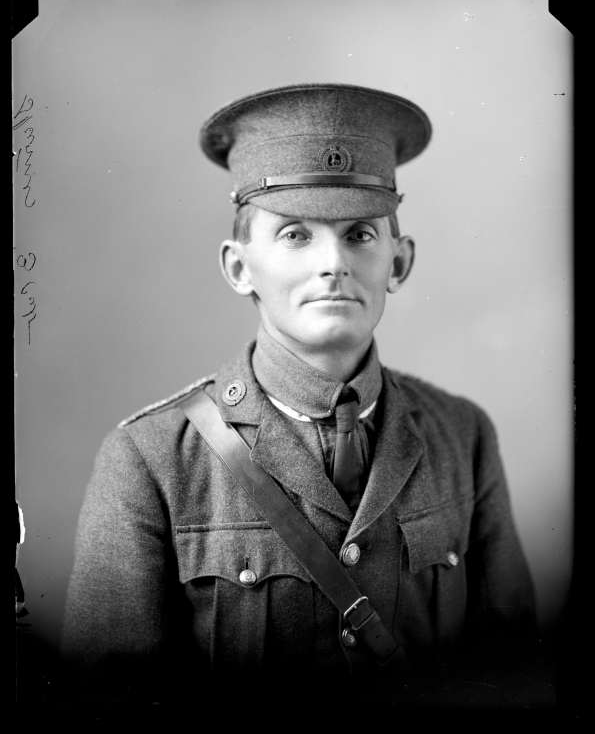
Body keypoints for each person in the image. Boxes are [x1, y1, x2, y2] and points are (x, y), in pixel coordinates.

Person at [61, 83, 538, 716]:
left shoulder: (463, 436)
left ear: (399, 263)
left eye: (360, 234)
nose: (333, 262)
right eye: (295, 235)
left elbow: (514, 673)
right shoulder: (150, 460)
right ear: (239, 268)